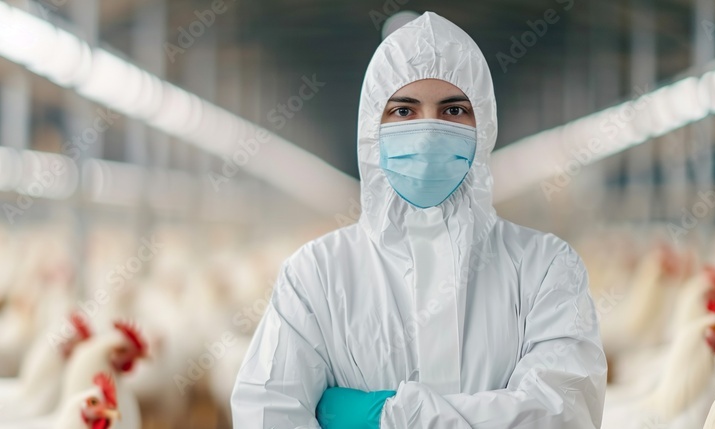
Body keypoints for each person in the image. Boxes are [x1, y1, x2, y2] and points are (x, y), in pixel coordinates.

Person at [231, 12, 606, 429]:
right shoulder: (315, 273)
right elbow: (265, 412)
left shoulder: (547, 267)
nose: (428, 131)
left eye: (453, 111)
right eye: (404, 112)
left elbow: (562, 413)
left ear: (484, 125)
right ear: (372, 128)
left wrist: (384, 416)